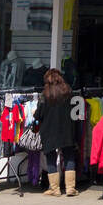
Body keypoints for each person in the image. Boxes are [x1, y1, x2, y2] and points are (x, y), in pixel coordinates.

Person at [32, 68, 78, 197]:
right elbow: (75, 112)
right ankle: (70, 188)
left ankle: (55, 189)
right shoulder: (68, 91)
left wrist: (34, 115)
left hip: (49, 130)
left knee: (51, 158)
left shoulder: (44, 94)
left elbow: (38, 115)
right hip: (66, 129)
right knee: (69, 156)